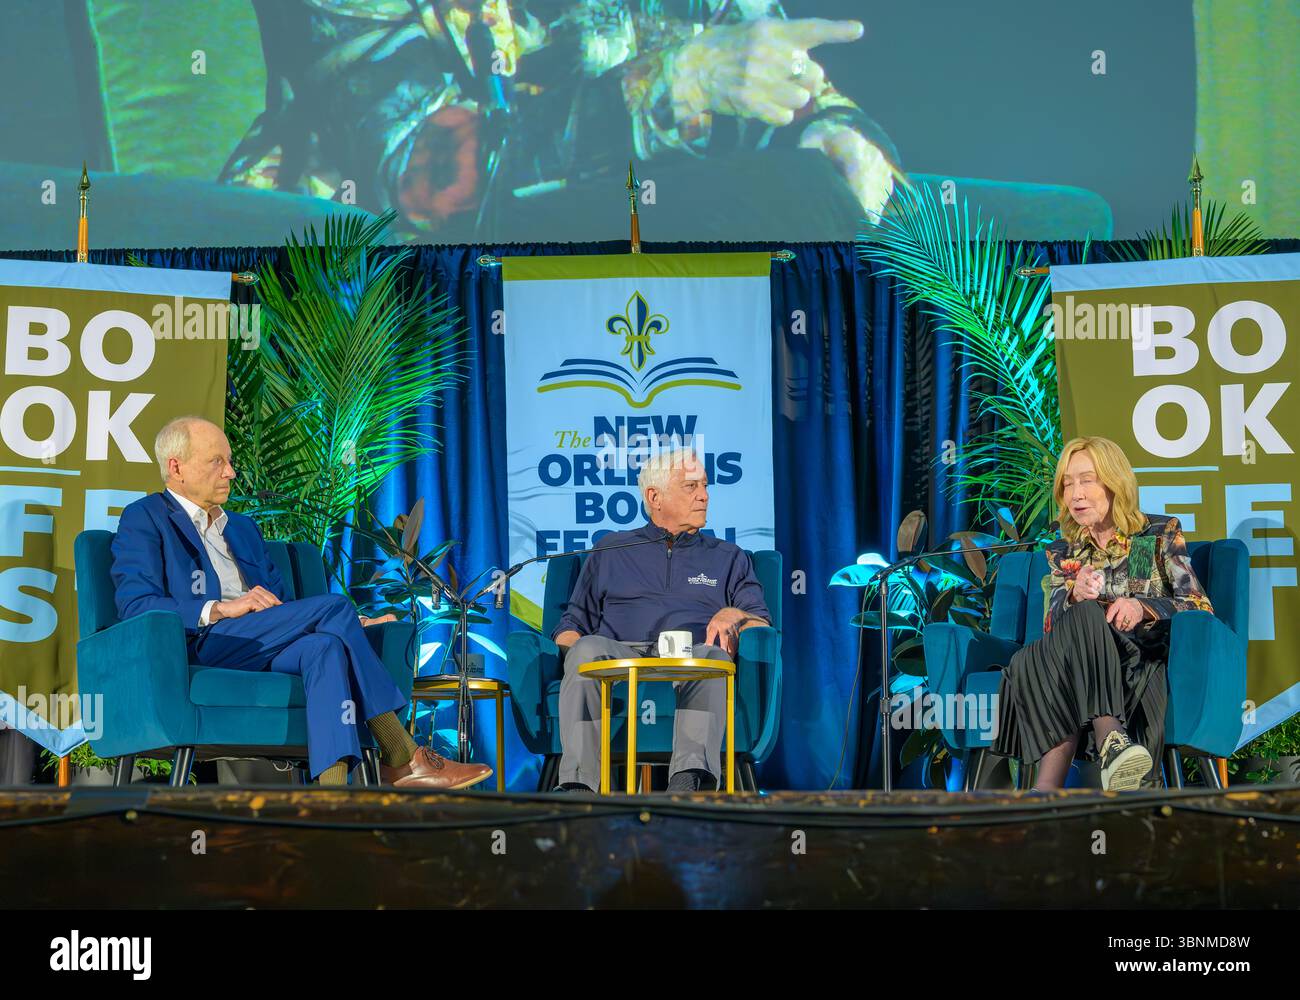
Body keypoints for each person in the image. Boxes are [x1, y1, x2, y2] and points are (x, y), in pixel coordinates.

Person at [219, 1, 901, 242]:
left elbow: (771, 66)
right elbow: (432, 180)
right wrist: (678, 79)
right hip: (374, 293)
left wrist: (833, 134)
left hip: (611, 280)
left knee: (825, 204)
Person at [110, 415, 493, 790]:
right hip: (204, 642)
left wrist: (350, 628)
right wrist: (221, 608)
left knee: (325, 646)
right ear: (176, 467)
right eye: (217, 462)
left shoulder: (242, 528)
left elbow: (285, 604)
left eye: (229, 462)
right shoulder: (145, 518)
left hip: (263, 639)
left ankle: (330, 801)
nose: (230, 473)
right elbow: (136, 605)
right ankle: (402, 754)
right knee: (334, 607)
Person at [990, 436, 1214, 792]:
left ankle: (1044, 790)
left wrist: (1143, 607)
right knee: (1045, 643)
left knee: (1028, 659)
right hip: (1073, 662)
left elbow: (1199, 605)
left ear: (1114, 482)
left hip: (1133, 658)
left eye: (1086, 480)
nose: (1075, 493)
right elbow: (1052, 631)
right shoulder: (1065, 550)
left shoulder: (1150, 536)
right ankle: (1111, 738)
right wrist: (1073, 595)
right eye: (1066, 483)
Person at [552, 448, 771, 792]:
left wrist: (736, 615)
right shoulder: (610, 549)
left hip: (691, 656)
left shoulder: (729, 557)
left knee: (712, 658)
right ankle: (579, 787)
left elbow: (761, 625)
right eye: (691, 486)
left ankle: (689, 782)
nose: (704, 495)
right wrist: (572, 657)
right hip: (620, 655)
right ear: (654, 496)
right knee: (585, 649)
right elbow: (570, 627)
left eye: (705, 485)